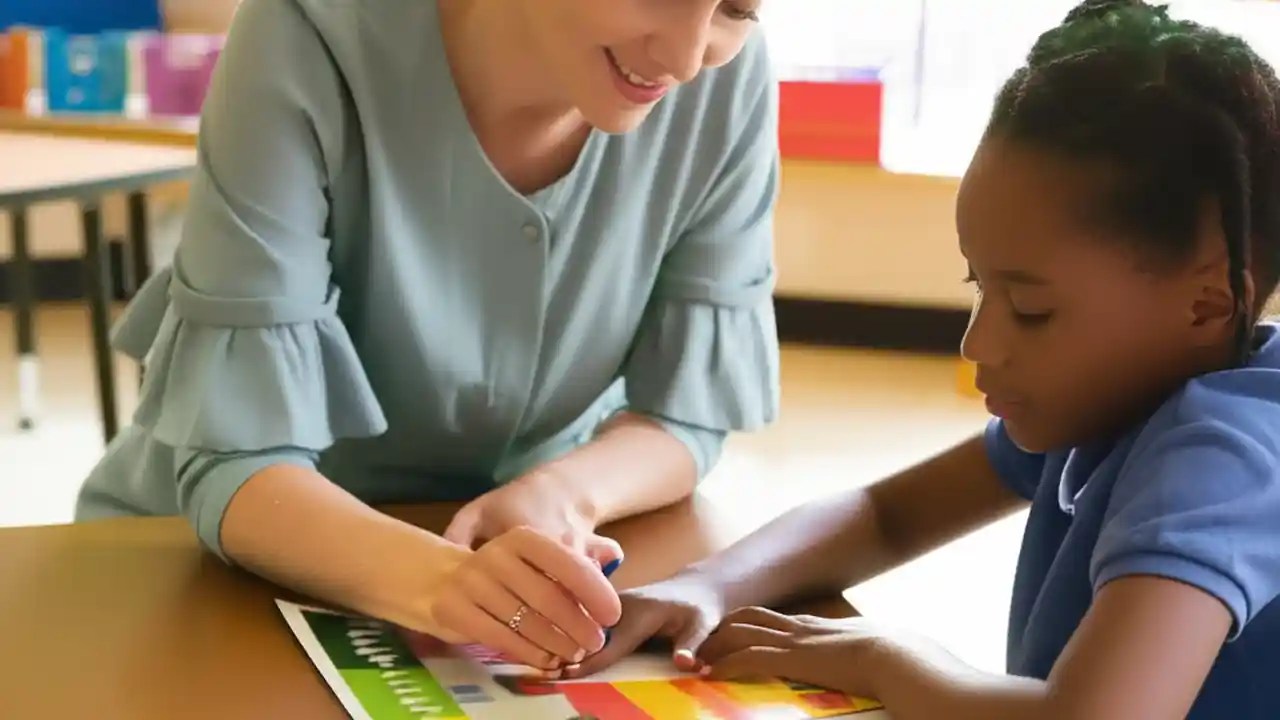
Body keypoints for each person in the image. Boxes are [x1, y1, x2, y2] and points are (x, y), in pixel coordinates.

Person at [576, 2, 1280, 717]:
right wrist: (707, 584)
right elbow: (884, 515)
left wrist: (885, 659)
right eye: (981, 287)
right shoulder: (1114, 395)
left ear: (1205, 308)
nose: (979, 343)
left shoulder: (1220, 454)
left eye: (1032, 311)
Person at [75, 0, 780, 677]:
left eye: (738, 9)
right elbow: (238, 462)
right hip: (203, 576)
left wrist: (563, 495)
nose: (688, 59)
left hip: (494, 597)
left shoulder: (730, 83)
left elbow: (687, 412)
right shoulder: (309, 31)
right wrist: (450, 583)